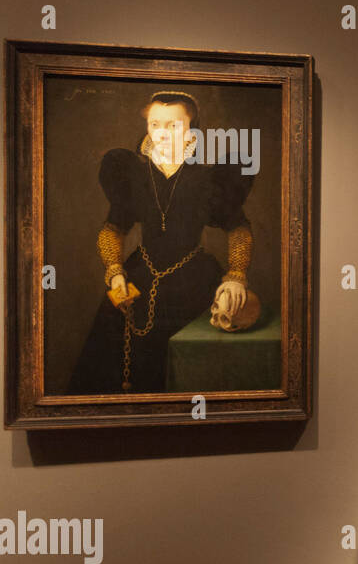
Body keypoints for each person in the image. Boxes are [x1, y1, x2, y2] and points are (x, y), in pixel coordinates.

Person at [66, 92, 253, 394]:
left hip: (195, 279)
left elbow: (239, 229)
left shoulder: (207, 179)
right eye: (155, 124)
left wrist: (236, 276)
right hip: (140, 272)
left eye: (173, 125)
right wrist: (114, 270)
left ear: (192, 133)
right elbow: (112, 229)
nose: (162, 132)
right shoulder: (132, 174)